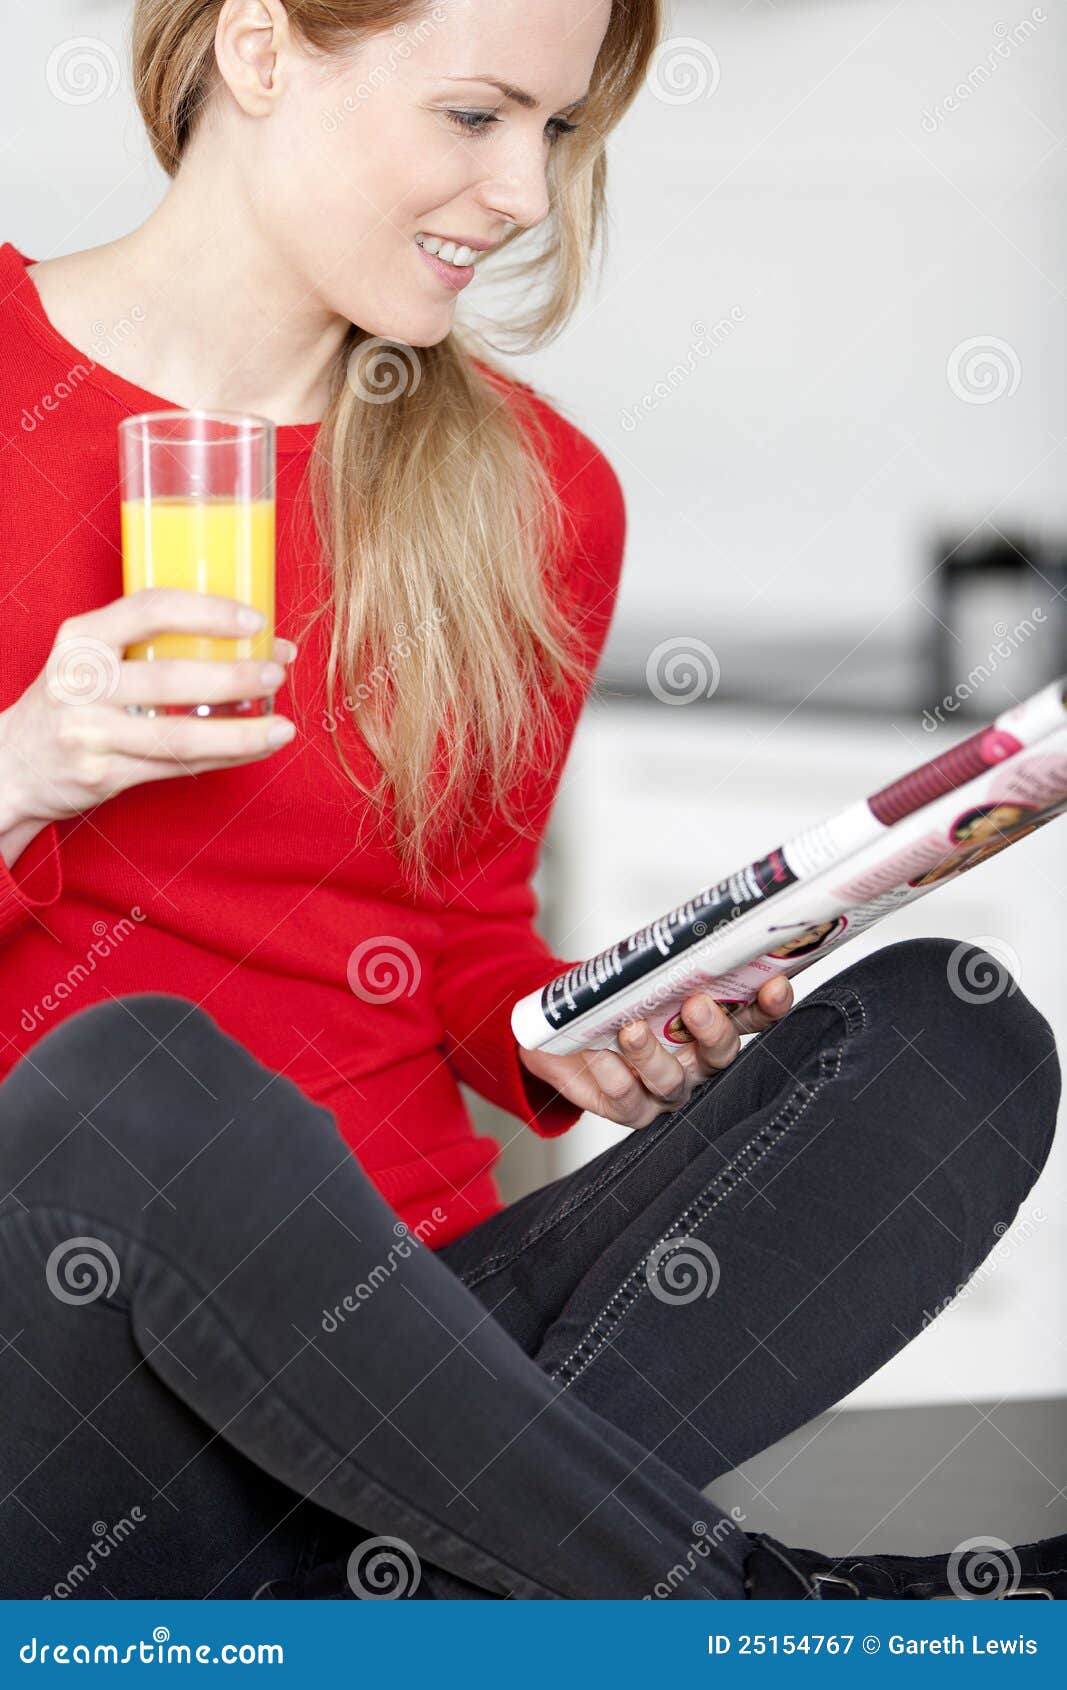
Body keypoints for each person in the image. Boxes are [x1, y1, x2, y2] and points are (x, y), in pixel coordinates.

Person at [0, 0, 1063, 1602]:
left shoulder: (534, 494)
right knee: (139, 1088)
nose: (524, 197)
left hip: (414, 1354)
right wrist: (22, 762)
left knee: (960, 1035)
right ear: (260, 49)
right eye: (479, 116)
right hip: (52, 1382)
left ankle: (399, 1604)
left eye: (557, 132)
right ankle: (769, 1615)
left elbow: (457, 937)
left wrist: (575, 1029)